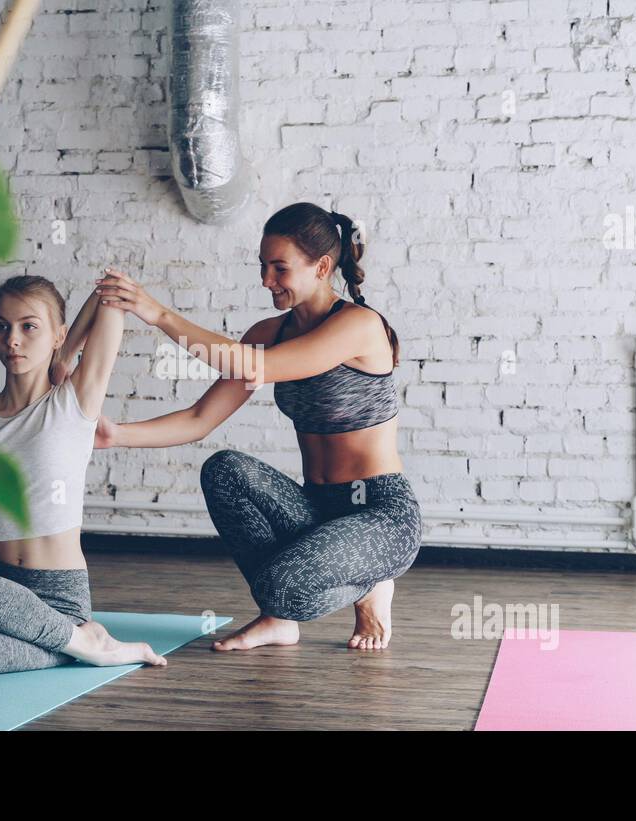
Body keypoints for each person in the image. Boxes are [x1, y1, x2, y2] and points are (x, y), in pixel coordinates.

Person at [93, 202, 421, 651]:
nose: (266, 280)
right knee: (224, 469)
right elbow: (198, 419)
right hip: (317, 507)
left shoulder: (359, 326)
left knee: (283, 587)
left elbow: (252, 366)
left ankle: (369, 585)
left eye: (279, 268)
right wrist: (117, 435)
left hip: (379, 513)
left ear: (321, 267)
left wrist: (159, 314)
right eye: (263, 266)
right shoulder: (268, 332)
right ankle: (279, 621)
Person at [0, 272, 167, 677]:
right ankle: (79, 643)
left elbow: (112, 298)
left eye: (29, 326)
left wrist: (64, 356)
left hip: (58, 596)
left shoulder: (74, 401)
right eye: (2, 326)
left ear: (57, 334)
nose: (12, 339)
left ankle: (69, 637)